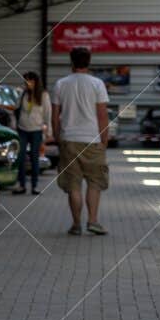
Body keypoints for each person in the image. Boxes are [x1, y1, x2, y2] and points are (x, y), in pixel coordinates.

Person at [51, 47, 110, 235]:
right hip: (92, 140)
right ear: (89, 61)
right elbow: (102, 115)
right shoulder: (97, 84)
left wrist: (58, 137)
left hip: (69, 140)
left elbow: (54, 116)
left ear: (71, 61)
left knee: (73, 184)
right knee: (94, 182)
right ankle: (92, 221)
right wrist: (104, 140)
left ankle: (76, 224)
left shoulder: (60, 84)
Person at [12, 71, 51, 195]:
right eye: (26, 81)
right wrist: (14, 126)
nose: (27, 83)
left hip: (36, 130)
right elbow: (15, 110)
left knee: (35, 158)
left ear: (35, 82)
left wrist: (48, 130)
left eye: (29, 80)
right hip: (22, 129)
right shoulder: (23, 94)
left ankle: (35, 186)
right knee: (21, 157)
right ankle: (21, 185)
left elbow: (47, 114)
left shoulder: (43, 95)